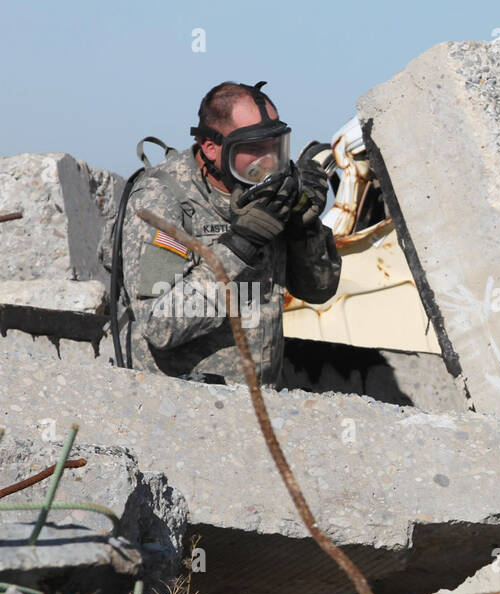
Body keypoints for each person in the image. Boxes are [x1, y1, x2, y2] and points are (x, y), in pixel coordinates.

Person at [107, 81, 340, 385]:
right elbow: (159, 323)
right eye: (254, 149)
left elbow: (319, 289)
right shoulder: (162, 200)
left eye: (276, 147)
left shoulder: (270, 195)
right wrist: (241, 246)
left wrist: (303, 229)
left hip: (258, 399)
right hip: (175, 403)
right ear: (211, 147)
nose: (269, 162)